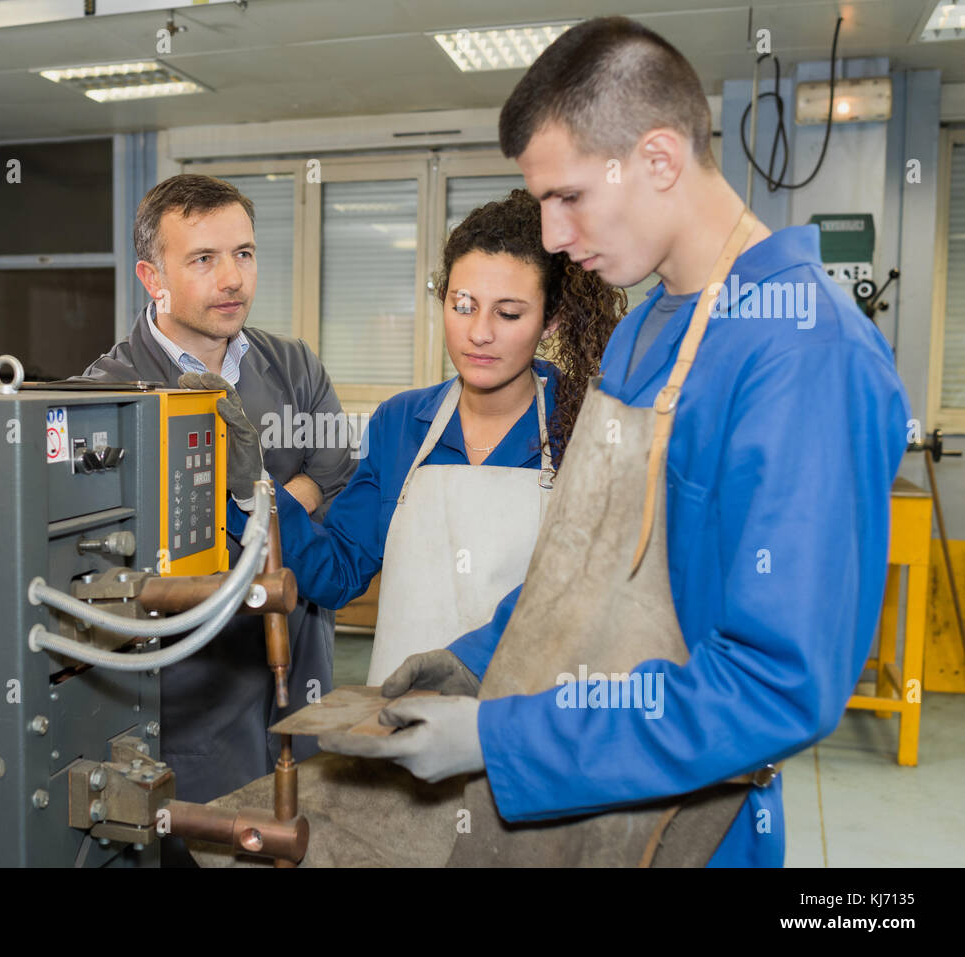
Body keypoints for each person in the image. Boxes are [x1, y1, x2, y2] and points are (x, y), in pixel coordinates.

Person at [322, 16, 911, 867]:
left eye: (569, 198)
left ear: (660, 159)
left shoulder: (805, 352)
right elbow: (578, 575)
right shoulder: (642, 336)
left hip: (695, 831)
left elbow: (777, 685)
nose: (555, 237)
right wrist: (468, 662)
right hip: (581, 796)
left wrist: (501, 737)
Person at [220, 189, 621, 685]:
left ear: (550, 320)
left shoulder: (587, 426)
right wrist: (250, 492)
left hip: (532, 725)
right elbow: (339, 572)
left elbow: (600, 595)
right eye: (464, 305)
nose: (479, 333)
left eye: (509, 313)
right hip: (404, 716)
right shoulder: (401, 424)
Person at [78, 175, 356, 844]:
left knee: (303, 839)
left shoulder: (293, 367)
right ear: (153, 276)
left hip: (301, 684)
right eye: (204, 259)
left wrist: (249, 511)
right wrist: (284, 510)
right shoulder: (109, 396)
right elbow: (125, 556)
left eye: (245, 253)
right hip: (194, 708)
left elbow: (339, 473)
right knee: (204, 847)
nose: (232, 277)